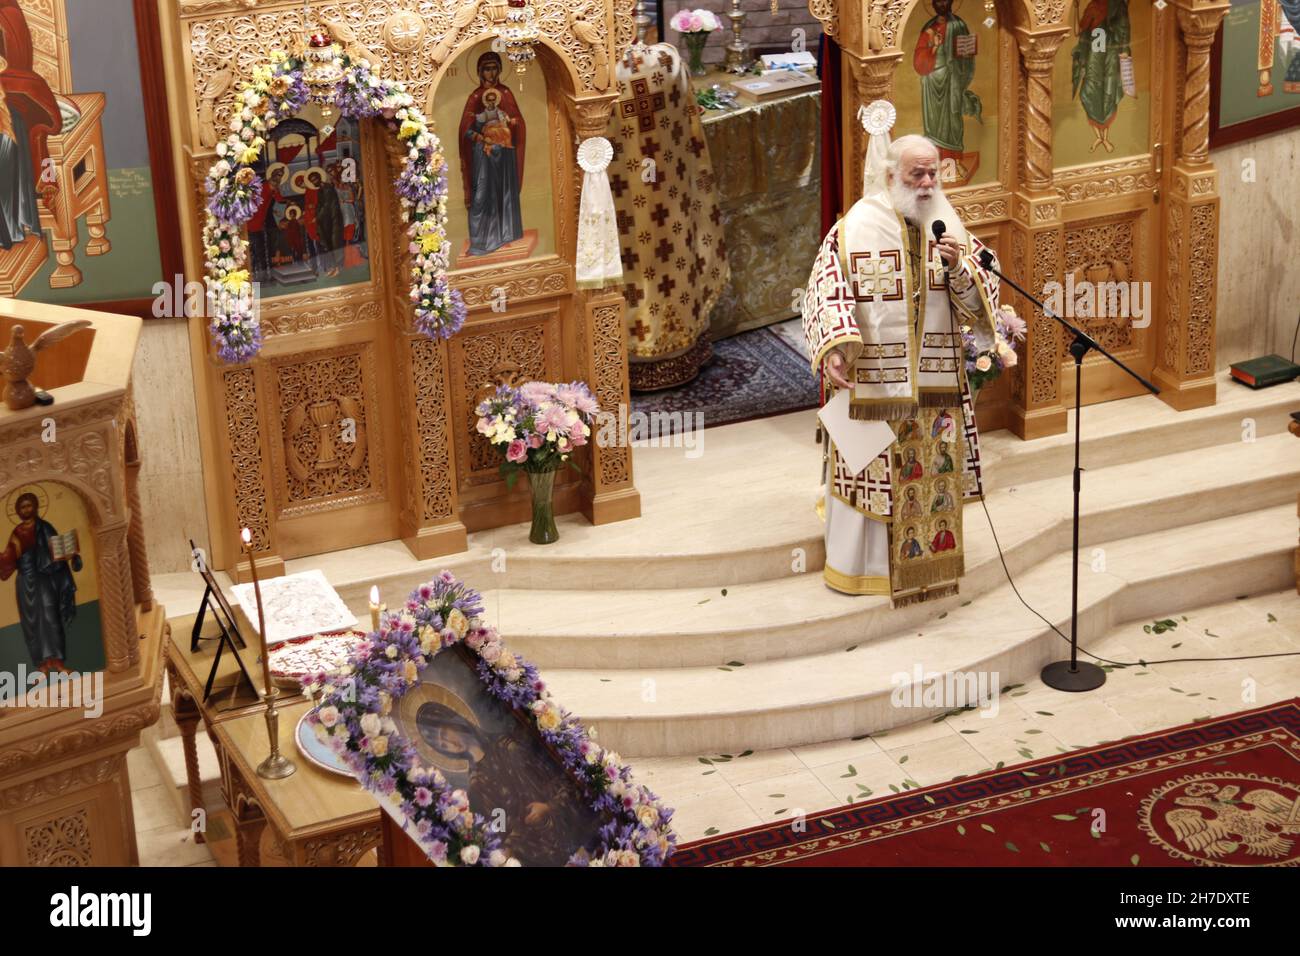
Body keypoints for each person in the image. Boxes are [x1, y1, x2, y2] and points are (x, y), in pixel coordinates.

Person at [802, 106, 1003, 607]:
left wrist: (961, 272)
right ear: (893, 176)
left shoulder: (948, 226)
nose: (929, 181)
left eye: (935, 172)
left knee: (926, 481)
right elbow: (825, 289)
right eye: (918, 173)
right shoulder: (856, 228)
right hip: (873, 384)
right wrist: (836, 346)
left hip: (936, 383)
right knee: (869, 473)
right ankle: (863, 571)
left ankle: (928, 570)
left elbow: (981, 302)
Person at [0, 491, 82, 675]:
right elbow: (8, 559)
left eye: (29, 505)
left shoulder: (45, 527)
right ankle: (42, 666)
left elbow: (57, 551)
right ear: (18, 511)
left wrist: (70, 554)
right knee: (31, 623)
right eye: (22, 507)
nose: (26, 509)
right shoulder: (17, 533)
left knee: (51, 619)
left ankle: (59, 664)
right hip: (25, 583)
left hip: (45, 579)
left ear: (36, 507)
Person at [458, 51, 525, 256]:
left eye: (494, 67)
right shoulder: (475, 97)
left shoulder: (505, 93)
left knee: (503, 191)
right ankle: (480, 242)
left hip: (504, 155)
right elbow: (465, 129)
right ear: (479, 71)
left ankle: (506, 234)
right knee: (482, 195)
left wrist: (511, 125)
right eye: (487, 68)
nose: (491, 72)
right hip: (483, 156)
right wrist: (481, 137)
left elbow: (517, 122)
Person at [912, 0, 981, 175]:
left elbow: (967, 57)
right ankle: (936, 160)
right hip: (931, 81)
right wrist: (934, 46)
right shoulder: (928, 28)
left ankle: (955, 160)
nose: (942, 4)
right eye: (938, 1)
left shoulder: (958, 25)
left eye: (945, 0)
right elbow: (919, 58)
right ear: (933, 4)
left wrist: (961, 77)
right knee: (934, 123)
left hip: (953, 80)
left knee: (953, 118)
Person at [1071, 0, 1131, 154]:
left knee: (1109, 93)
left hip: (1110, 58)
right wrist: (1076, 8)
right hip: (1094, 60)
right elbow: (1078, 31)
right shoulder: (1093, 7)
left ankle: (1105, 137)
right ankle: (1100, 138)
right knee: (1089, 93)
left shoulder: (1117, 6)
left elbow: (1123, 29)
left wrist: (1123, 51)